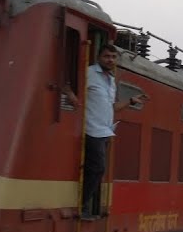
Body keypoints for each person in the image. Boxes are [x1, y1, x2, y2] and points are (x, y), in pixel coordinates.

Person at [62, 43, 147, 219]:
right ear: (99, 58)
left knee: (96, 170)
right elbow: (66, 84)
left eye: (114, 57)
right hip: (91, 129)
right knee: (97, 168)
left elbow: (112, 107)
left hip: (106, 131)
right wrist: (70, 94)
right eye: (107, 56)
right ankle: (80, 206)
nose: (110, 60)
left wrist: (131, 101)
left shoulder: (110, 81)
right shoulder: (88, 73)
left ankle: (86, 205)